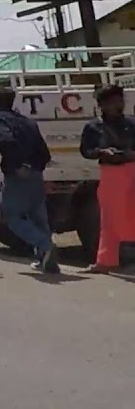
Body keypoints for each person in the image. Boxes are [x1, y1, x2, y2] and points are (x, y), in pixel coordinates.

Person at [0, 86, 58, 273]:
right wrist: (35, 167)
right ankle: (46, 259)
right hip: (36, 174)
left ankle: (44, 245)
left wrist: (18, 166)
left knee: (12, 217)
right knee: (38, 217)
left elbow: (6, 141)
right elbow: (44, 151)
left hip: (17, 175)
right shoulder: (27, 121)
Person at [79, 83, 135, 274]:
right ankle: (105, 261)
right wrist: (102, 152)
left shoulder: (132, 124)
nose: (117, 104)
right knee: (109, 220)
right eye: (111, 101)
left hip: (132, 171)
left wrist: (128, 154)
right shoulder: (93, 127)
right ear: (101, 104)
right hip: (110, 174)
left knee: (130, 216)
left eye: (119, 99)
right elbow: (86, 151)